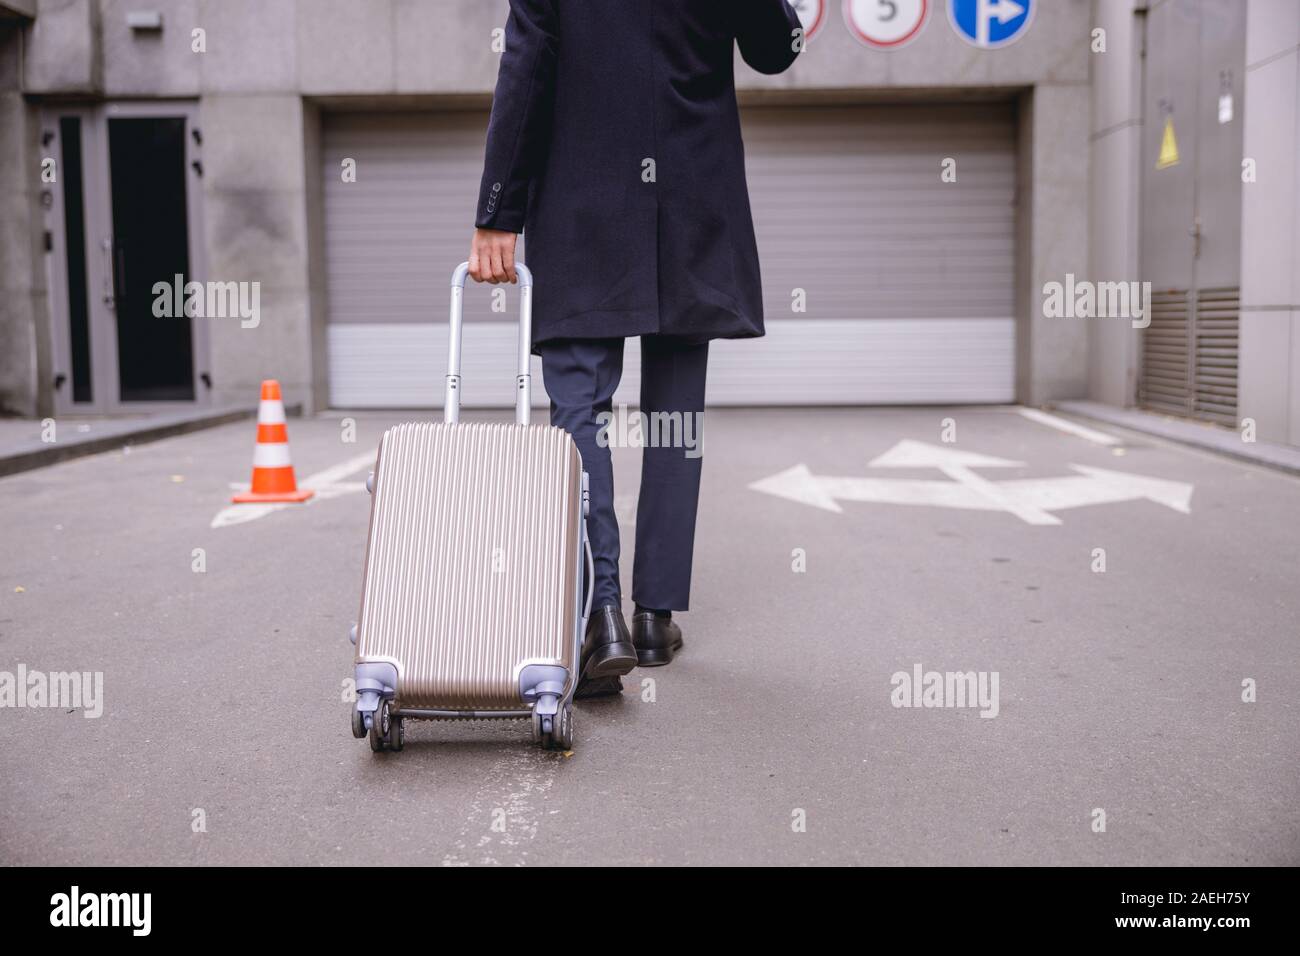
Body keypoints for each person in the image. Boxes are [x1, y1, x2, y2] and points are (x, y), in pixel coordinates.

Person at [468, 0, 802, 696]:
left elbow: (527, 67)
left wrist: (499, 213)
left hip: (583, 202)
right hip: (691, 199)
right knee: (676, 417)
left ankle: (600, 613)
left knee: (578, 410)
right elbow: (775, 47)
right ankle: (653, 616)